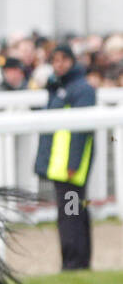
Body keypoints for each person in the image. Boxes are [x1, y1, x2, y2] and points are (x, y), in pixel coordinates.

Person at [34, 44, 95, 271]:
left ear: (72, 61)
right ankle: (79, 261)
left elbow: (81, 131)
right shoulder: (62, 86)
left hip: (69, 167)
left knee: (70, 215)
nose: (59, 65)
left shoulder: (80, 89)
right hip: (61, 165)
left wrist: (73, 164)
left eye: (63, 60)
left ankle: (73, 263)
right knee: (75, 212)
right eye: (55, 60)